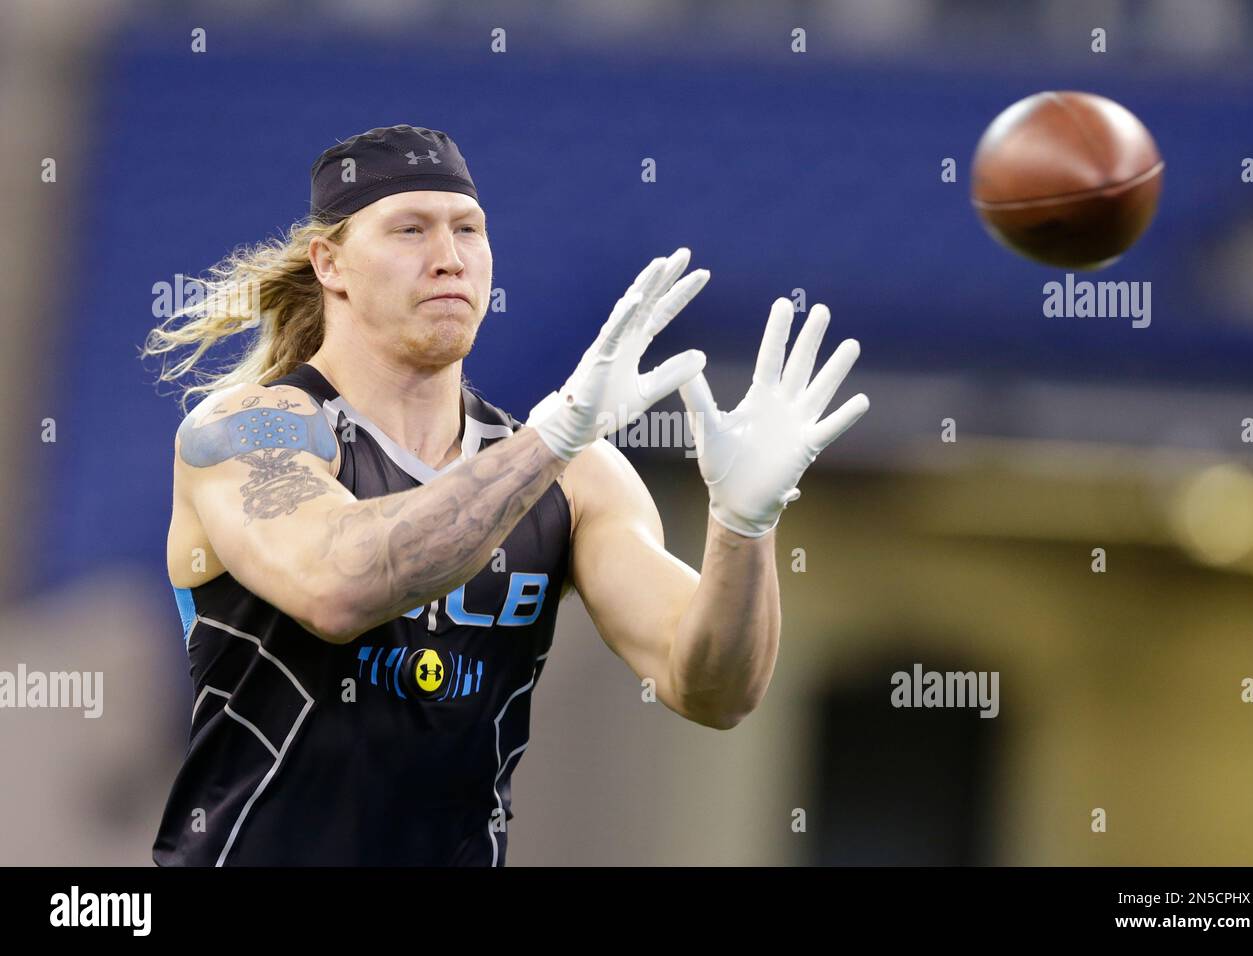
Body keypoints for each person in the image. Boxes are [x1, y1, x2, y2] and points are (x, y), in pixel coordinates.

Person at [143, 125, 868, 866]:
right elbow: (339, 585)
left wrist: (744, 526)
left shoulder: (580, 480)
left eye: (469, 230)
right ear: (330, 264)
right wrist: (554, 437)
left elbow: (712, 688)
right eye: (410, 230)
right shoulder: (249, 432)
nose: (449, 258)